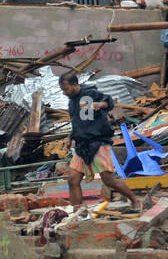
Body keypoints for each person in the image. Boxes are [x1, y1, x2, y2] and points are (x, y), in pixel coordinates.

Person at [59, 73, 141, 209]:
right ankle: (77, 211)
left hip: (98, 142)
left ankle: (134, 200)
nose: (64, 92)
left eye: (66, 89)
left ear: (75, 84)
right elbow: (76, 122)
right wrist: (70, 138)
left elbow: (109, 102)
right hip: (82, 145)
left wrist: (100, 104)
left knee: (108, 180)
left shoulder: (90, 94)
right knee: (73, 179)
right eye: (62, 89)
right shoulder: (72, 102)